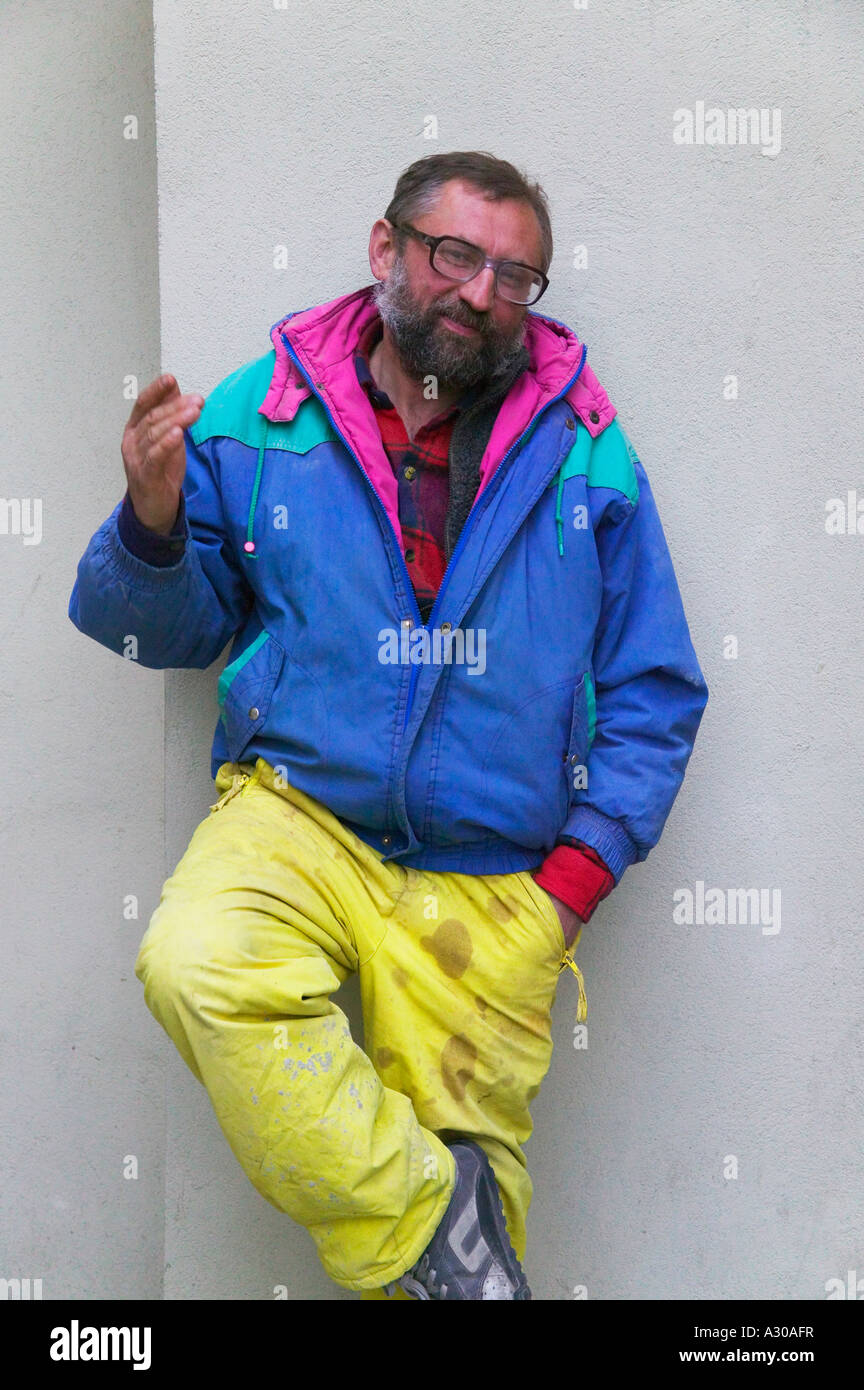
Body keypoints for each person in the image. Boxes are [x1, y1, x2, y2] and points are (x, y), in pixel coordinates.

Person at [68, 150, 709, 1300]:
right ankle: (433, 1215)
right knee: (197, 963)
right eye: (455, 255)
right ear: (386, 252)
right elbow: (160, 630)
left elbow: (656, 688)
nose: (481, 293)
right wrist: (154, 525)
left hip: (493, 872)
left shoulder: (589, 452)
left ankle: (450, 1235)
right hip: (296, 814)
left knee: (458, 1294)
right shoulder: (260, 414)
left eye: (516, 277)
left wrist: (571, 883)